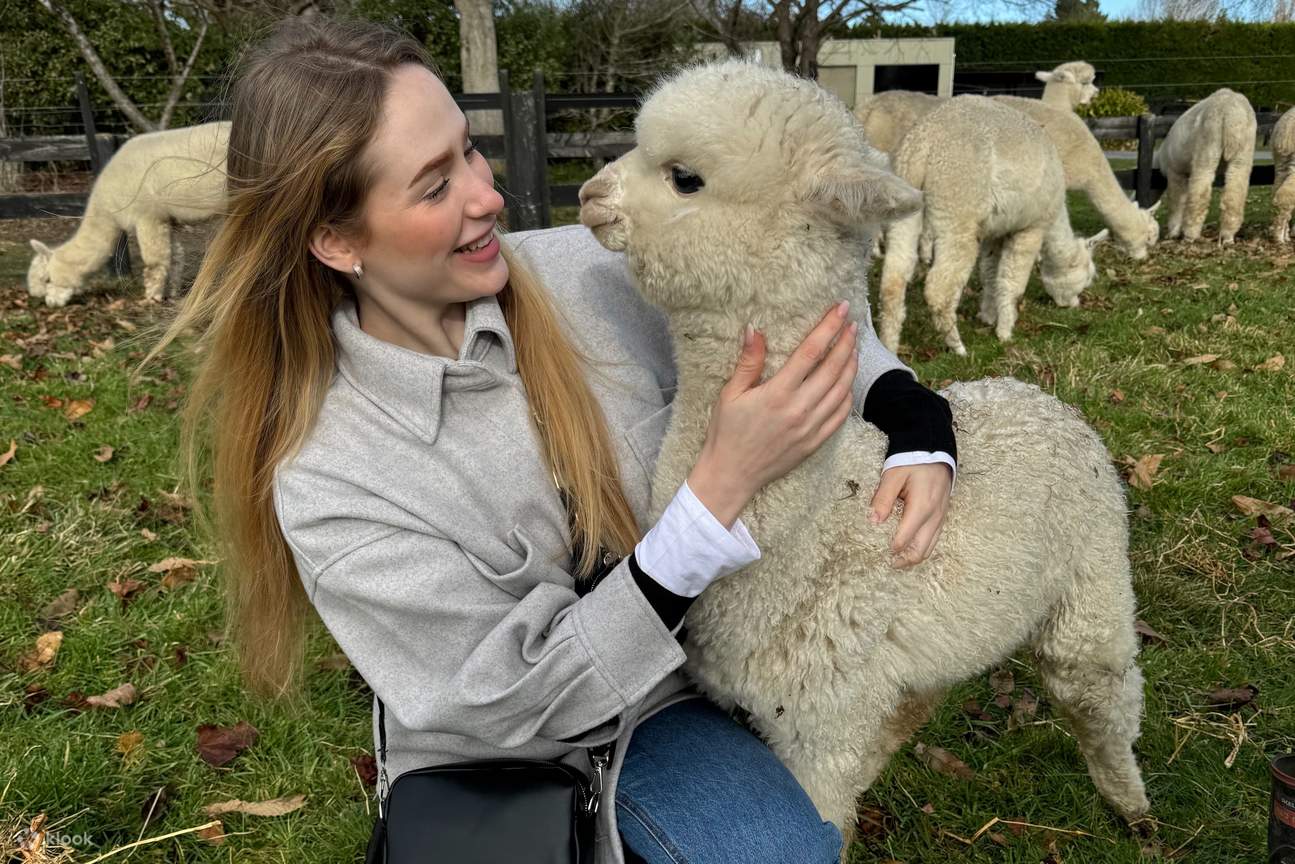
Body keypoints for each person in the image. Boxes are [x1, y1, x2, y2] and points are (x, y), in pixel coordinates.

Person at [142, 16, 957, 864]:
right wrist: (713, 496)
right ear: (337, 240)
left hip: (681, 689)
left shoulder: (590, 271)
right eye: (432, 185)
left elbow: (783, 294)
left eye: (468, 150)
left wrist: (914, 423)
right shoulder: (333, 478)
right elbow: (509, 700)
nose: (486, 194)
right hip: (516, 754)